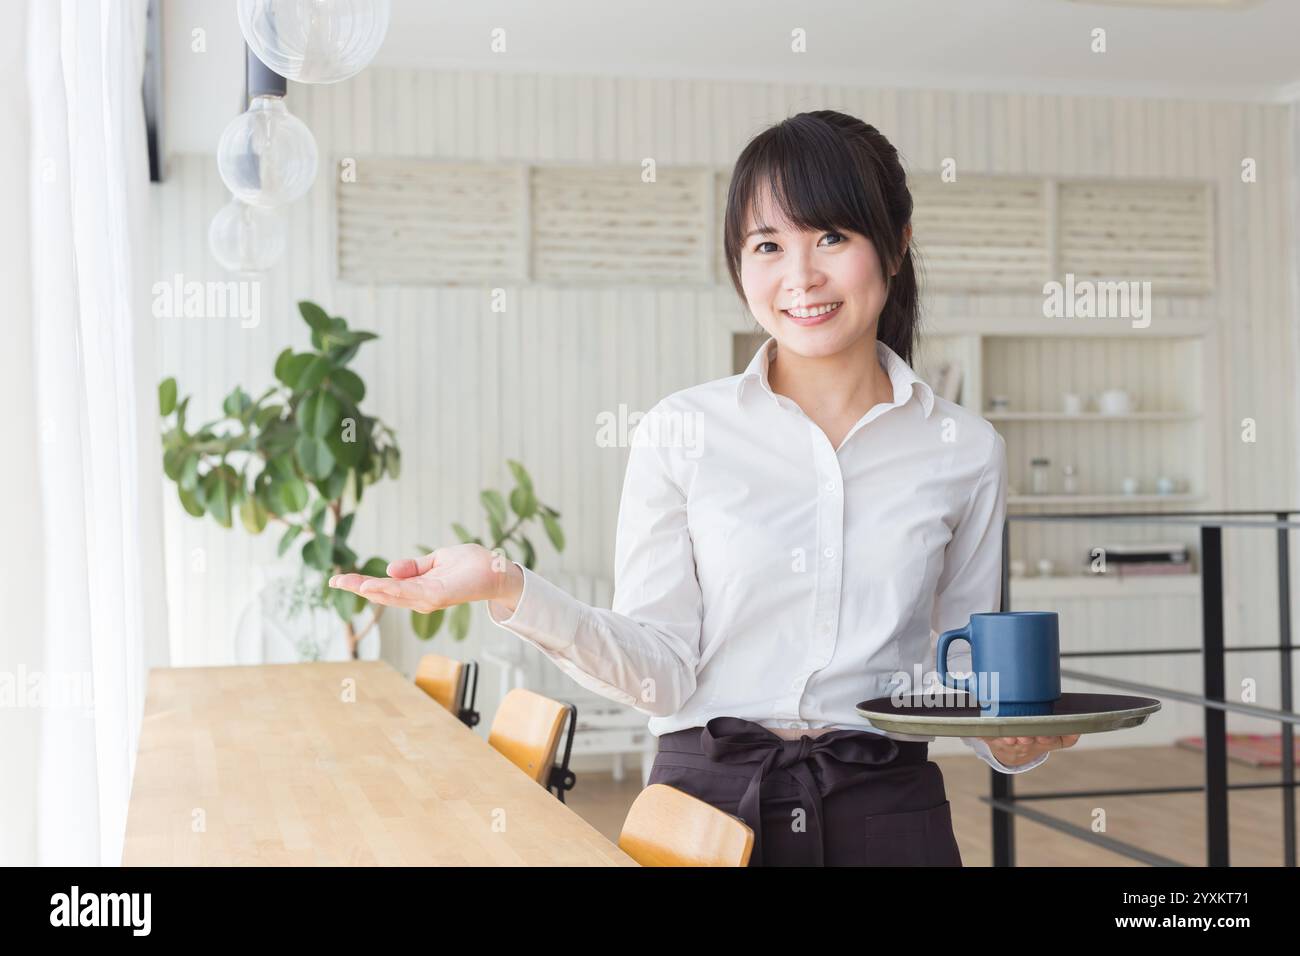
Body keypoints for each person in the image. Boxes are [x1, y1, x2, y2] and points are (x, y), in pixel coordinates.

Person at [329, 109, 1078, 866]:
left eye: (832, 237)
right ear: (738, 262)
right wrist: (507, 585)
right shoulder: (679, 430)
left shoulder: (966, 451)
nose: (801, 277)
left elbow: (969, 673)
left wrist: (1015, 739)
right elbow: (659, 670)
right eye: (767, 245)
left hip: (888, 813)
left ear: (896, 244)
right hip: (706, 813)